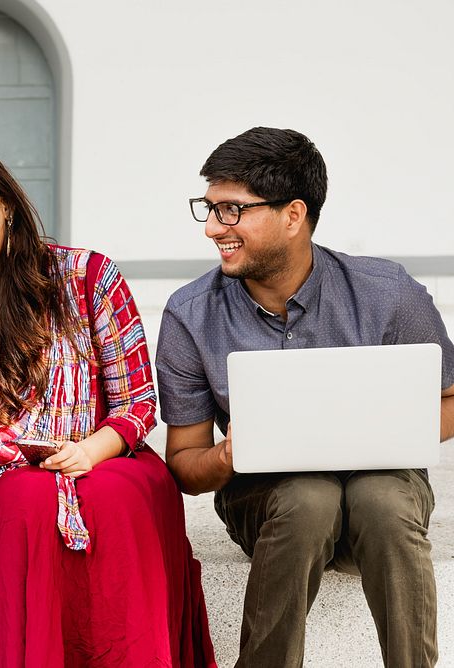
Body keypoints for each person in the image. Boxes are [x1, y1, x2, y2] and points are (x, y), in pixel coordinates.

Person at [0, 142, 215, 667]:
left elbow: (138, 403)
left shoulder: (89, 276)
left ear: (4, 203)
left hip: (109, 456)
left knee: (120, 498)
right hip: (8, 476)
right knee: (24, 504)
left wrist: (90, 451)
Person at [156, 126, 454, 667]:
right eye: (210, 207)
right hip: (270, 503)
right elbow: (184, 464)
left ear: (294, 216)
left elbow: (453, 399)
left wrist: (379, 431)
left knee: (382, 501)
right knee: (308, 497)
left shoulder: (388, 293)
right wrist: (229, 454)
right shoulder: (190, 314)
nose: (213, 229)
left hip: (383, 491)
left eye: (232, 210)